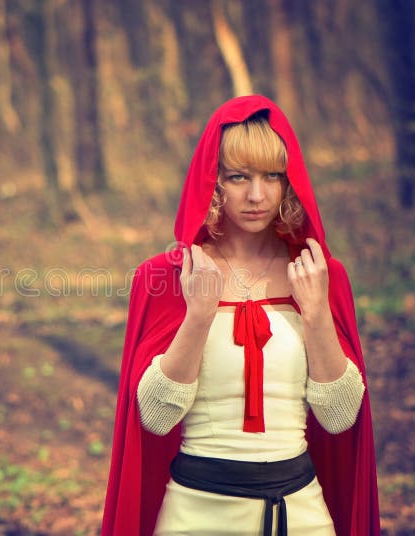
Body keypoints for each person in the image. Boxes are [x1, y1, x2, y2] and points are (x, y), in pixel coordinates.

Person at [102, 96, 380, 536]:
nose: (257, 195)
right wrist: (197, 315)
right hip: (196, 518)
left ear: (290, 182)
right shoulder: (166, 276)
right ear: (212, 182)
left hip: (300, 516)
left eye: (272, 176)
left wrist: (316, 315)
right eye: (238, 177)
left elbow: (340, 416)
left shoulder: (319, 273)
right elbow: (154, 417)